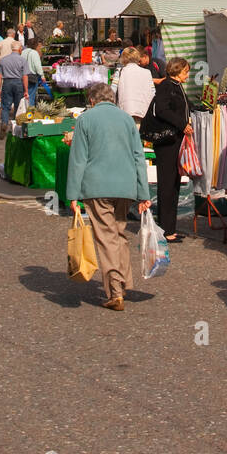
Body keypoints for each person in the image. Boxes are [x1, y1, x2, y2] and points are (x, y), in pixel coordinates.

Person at [66, 83, 152, 310]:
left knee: (105, 237)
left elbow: (78, 160)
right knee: (119, 233)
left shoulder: (86, 119)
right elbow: (138, 156)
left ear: (92, 101)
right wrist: (144, 193)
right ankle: (123, 283)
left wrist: (72, 194)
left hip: (96, 187)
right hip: (125, 186)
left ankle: (115, 291)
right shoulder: (126, 119)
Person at [152, 57, 192, 243]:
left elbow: (184, 107)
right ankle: (165, 230)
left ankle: (171, 227)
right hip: (166, 142)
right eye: (185, 71)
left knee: (174, 183)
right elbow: (162, 110)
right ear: (177, 71)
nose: (188, 75)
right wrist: (182, 124)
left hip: (175, 141)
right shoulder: (167, 86)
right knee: (167, 184)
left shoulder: (176, 86)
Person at [115, 47, 156, 127]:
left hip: (124, 114)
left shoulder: (120, 72)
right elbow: (153, 92)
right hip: (143, 113)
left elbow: (112, 91)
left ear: (123, 58)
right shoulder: (147, 72)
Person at [0, 41, 29, 130]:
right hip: (18, 82)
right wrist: (26, 90)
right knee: (18, 106)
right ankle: (15, 126)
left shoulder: (3, 60)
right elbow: (25, 76)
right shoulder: (23, 60)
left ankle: (4, 122)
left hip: (7, 82)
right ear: (19, 49)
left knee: (5, 106)